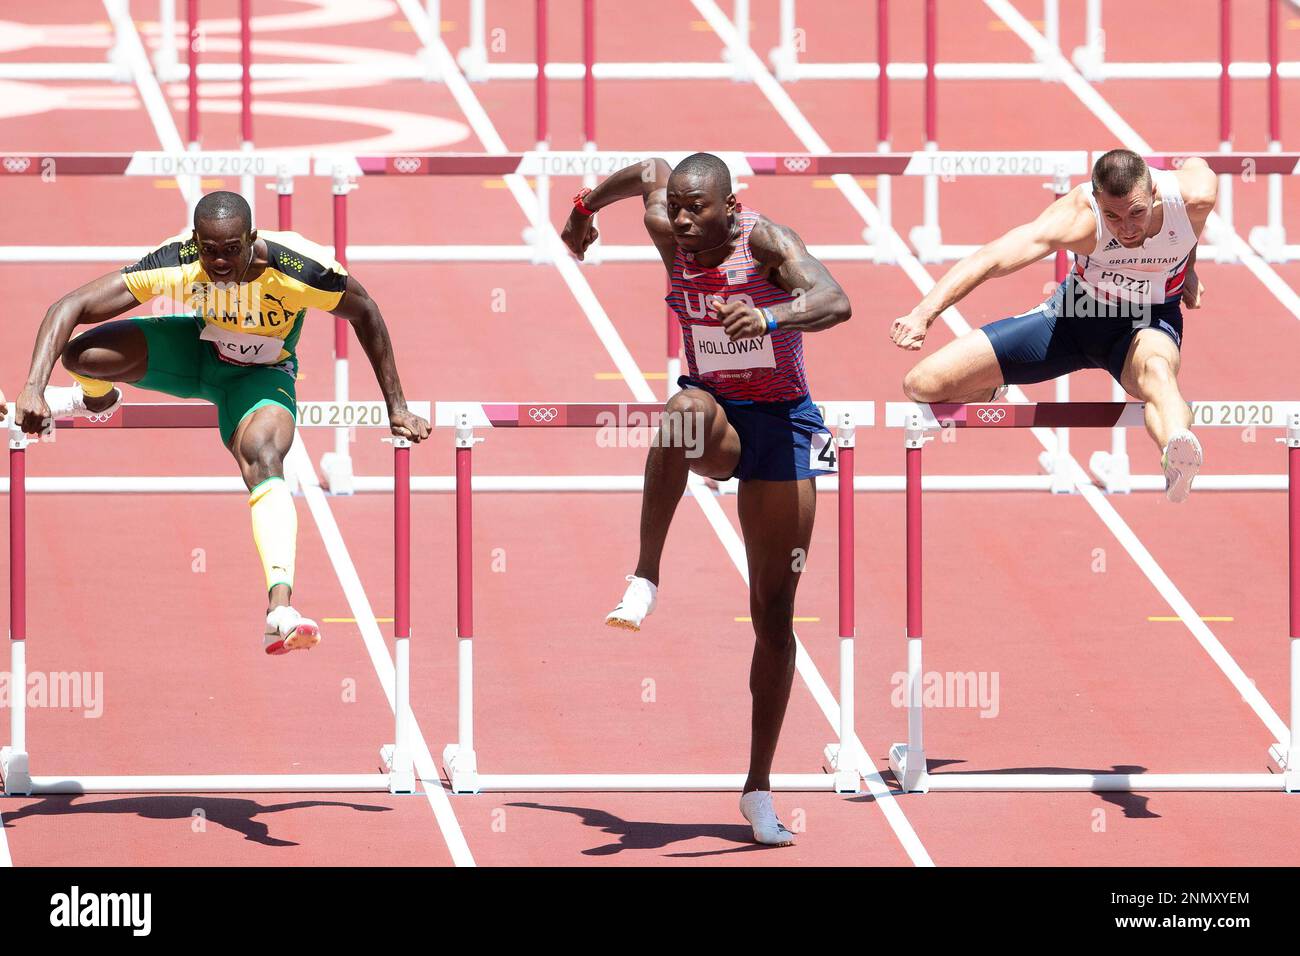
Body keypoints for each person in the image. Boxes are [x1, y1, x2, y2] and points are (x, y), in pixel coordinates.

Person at [561, 153, 852, 845]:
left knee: (775, 617)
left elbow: (836, 301)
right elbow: (651, 169)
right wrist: (583, 209)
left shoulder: (765, 242)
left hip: (782, 423)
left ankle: (757, 789)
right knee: (679, 412)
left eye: (700, 209)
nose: (684, 221)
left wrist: (772, 317)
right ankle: (645, 575)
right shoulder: (670, 230)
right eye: (679, 208)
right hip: (717, 415)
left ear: (731, 204)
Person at [12, 191, 429, 654]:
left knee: (266, 455)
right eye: (210, 250)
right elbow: (67, 307)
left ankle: (280, 609)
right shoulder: (178, 260)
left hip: (262, 375)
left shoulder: (302, 270)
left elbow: (366, 312)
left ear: (252, 238)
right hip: (197, 351)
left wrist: (397, 405)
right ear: (196, 241)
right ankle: (97, 402)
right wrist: (34, 385)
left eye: (232, 249)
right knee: (82, 354)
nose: (221, 261)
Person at [891, 148, 1216, 502]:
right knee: (921, 385)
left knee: (1157, 371)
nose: (1126, 228)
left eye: (1136, 213)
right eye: (1113, 216)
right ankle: (990, 386)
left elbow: (1195, 182)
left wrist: (1190, 267)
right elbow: (991, 258)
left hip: (1147, 322)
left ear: (1153, 192)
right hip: (1072, 318)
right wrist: (924, 313)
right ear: (1096, 201)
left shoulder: (1194, 196)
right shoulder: (1078, 217)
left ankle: (1175, 454)